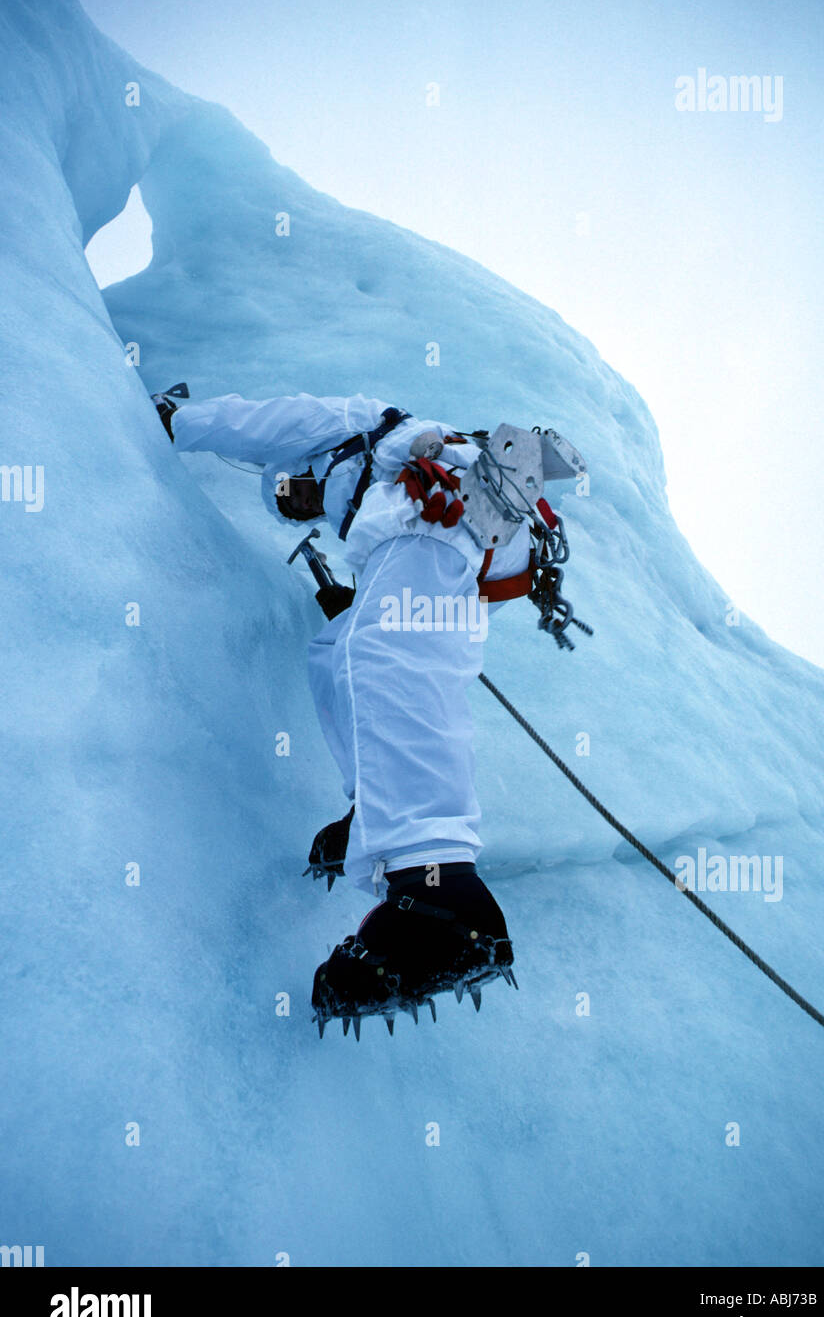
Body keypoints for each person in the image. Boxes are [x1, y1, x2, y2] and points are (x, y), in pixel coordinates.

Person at [153, 384, 536, 1035]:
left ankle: (440, 895)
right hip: (478, 532)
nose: (298, 506)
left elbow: (265, 420)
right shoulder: (375, 491)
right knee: (337, 654)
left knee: (384, 657)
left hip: (444, 498)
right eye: (289, 507)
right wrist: (370, 609)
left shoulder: (351, 426)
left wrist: (177, 421)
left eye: (289, 492)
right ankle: (376, 806)